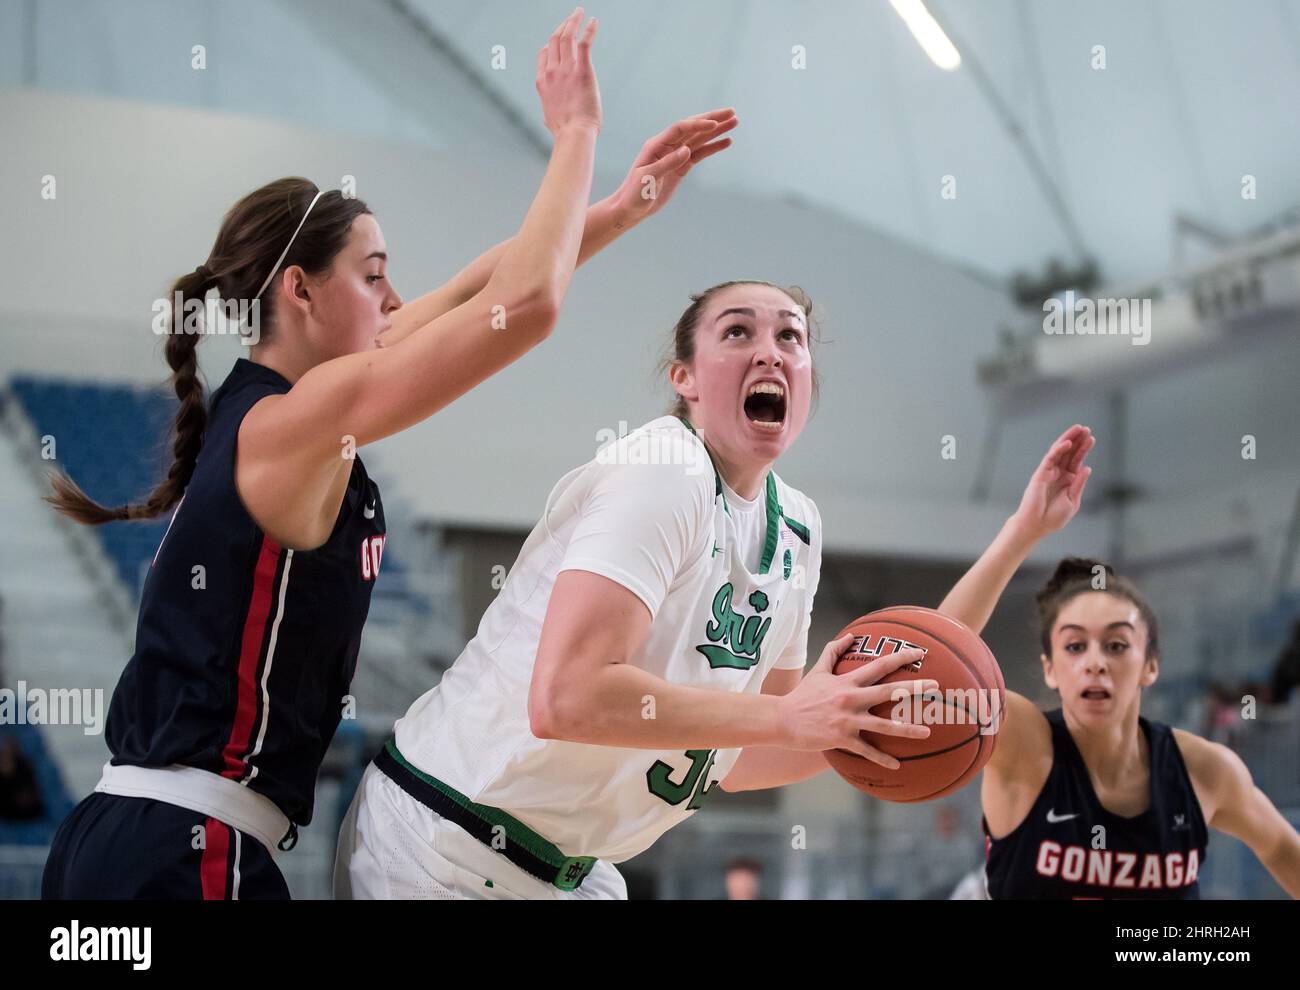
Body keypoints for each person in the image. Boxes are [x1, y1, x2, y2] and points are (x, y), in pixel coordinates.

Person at [42, 8, 728, 899]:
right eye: (373, 275)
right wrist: (576, 133)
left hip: (141, 840)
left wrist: (622, 206)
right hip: (185, 847)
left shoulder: (282, 407)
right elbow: (523, 308)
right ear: (300, 290)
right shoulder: (297, 418)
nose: (396, 297)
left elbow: (483, 283)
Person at [335, 277, 947, 900]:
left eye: (790, 336)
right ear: (683, 377)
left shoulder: (799, 527)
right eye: (738, 332)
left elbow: (745, 756)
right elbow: (567, 697)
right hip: (446, 840)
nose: (770, 352)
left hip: (571, 872)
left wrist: (878, 728)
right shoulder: (665, 469)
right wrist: (788, 715)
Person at [937, 430, 1300, 898]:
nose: (1095, 664)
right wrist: (1023, 529)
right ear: (1049, 668)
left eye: (1116, 645)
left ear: (1151, 665)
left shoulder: (1205, 772)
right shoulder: (1024, 743)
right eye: (1074, 647)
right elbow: (934, 665)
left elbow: (1281, 849)